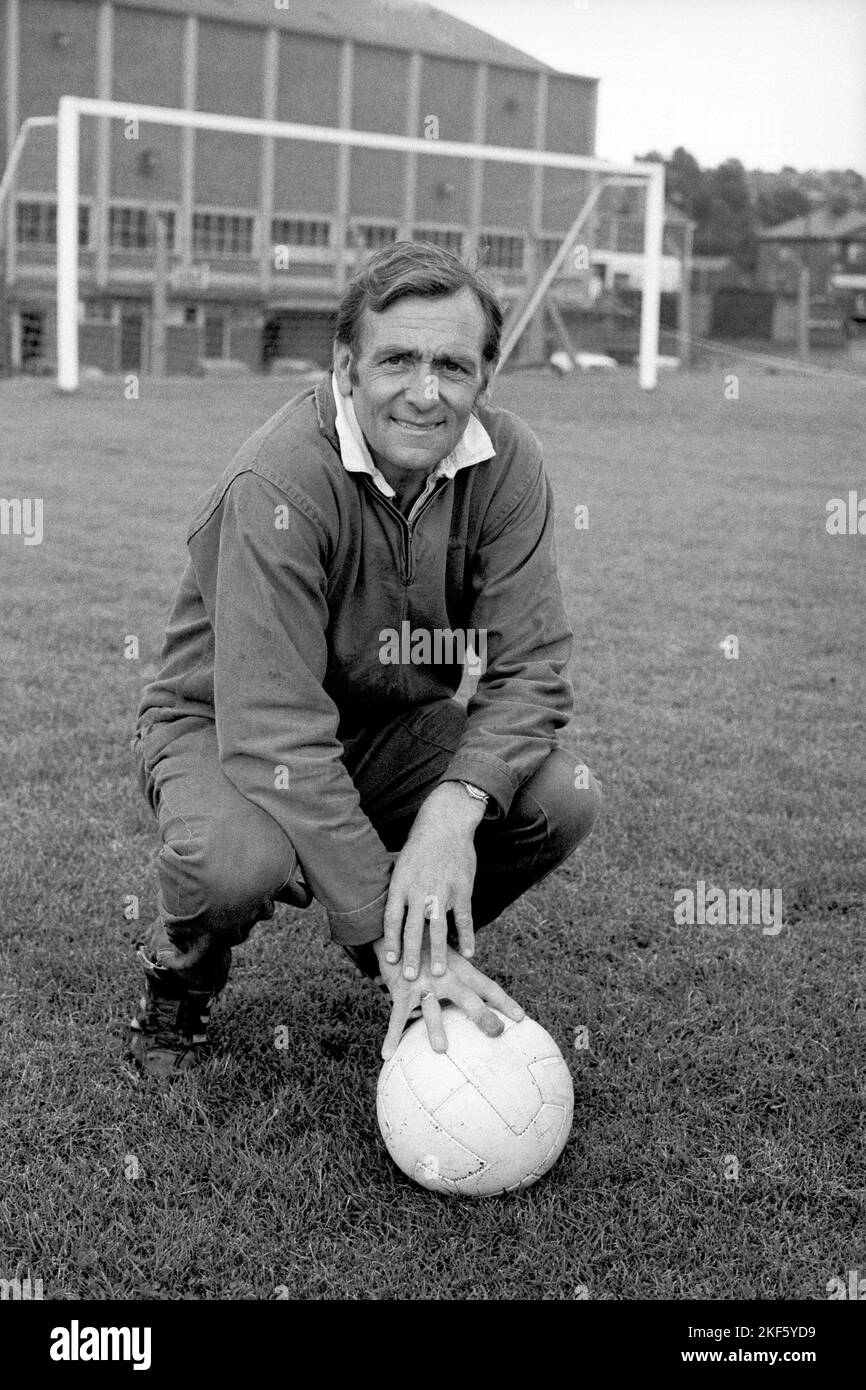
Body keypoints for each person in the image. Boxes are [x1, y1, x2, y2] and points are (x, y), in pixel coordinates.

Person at [128, 240, 601, 1078]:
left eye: (453, 365)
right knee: (236, 864)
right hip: (226, 724)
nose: (426, 393)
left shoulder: (508, 461)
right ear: (347, 366)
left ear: (486, 375)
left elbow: (531, 666)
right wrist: (381, 917)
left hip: (390, 725)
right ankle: (183, 978)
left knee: (559, 796)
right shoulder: (275, 483)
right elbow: (276, 729)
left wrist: (451, 817)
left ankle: (415, 936)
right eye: (398, 361)